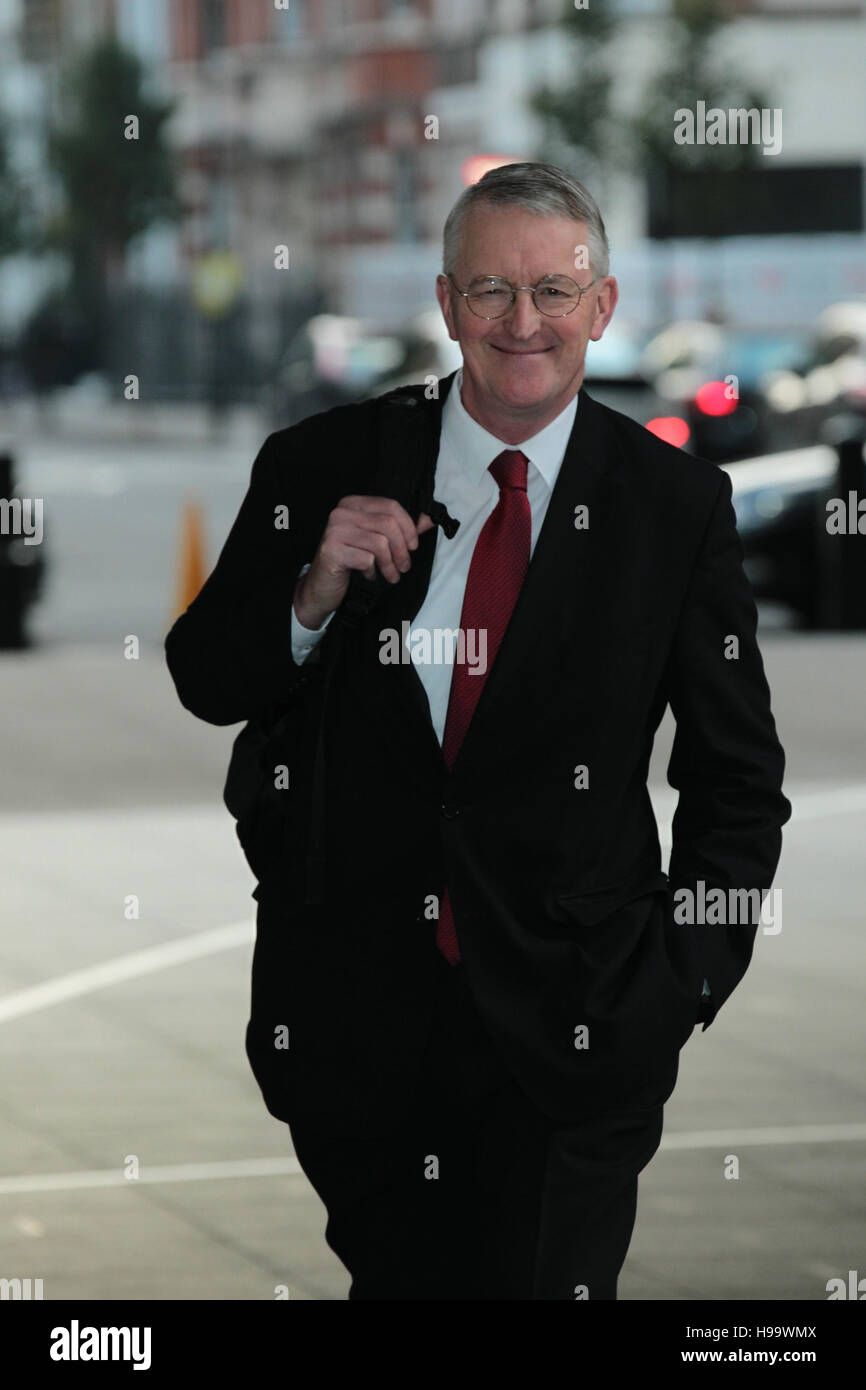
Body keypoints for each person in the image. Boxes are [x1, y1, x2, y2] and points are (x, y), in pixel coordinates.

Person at [165, 161, 791, 1301]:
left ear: (600, 310)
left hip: (579, 1033)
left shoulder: (671, 507)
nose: (523, 323)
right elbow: (204, 677)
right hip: (357, 1033)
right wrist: (310, 593)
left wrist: (678, 988)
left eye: (554, 292)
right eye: (491, 292)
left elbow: (737, 783)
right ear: (448, 306)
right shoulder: (320, 465)